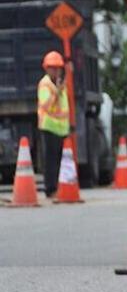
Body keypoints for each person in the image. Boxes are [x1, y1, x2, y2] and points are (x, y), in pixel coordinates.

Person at [37, 51, 69, 198]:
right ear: (46, 68)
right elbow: (46, 105)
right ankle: (50, 189)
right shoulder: (46, 84)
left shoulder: (58, 84)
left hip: (60, 128)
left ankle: (58, 187)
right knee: (50, 161)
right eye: (53, 67)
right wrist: (57, 91)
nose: (56, 70)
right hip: (49, 127)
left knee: (58, 160)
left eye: (58, 68)